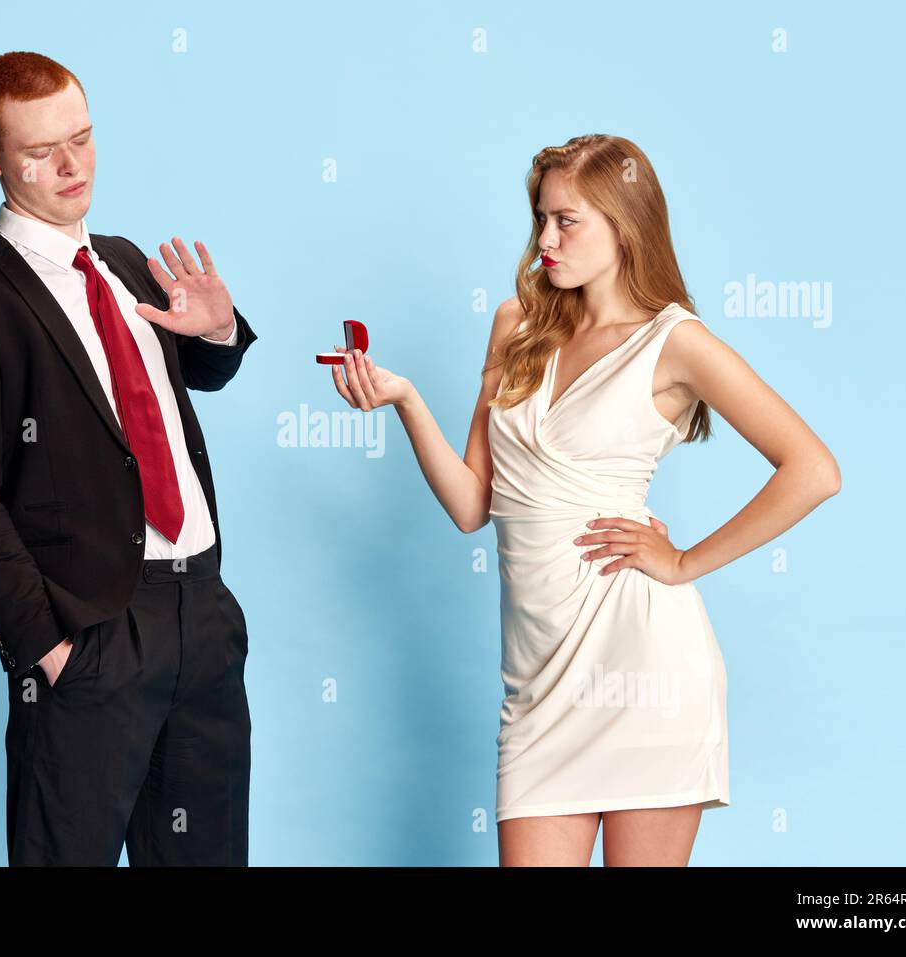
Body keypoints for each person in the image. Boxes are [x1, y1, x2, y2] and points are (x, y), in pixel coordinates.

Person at [329, 133, 840, 866]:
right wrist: (405, 399)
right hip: (538, 689)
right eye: (541, 218)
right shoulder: (517, 325)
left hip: (647, 672)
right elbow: (475, 505)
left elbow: (813, 469)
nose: (545, 238)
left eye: (567, 221)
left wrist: (685, 561)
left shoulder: (676, 343)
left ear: (625, 225)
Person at [0, 51, 258, 865]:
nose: (72, 166)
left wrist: (214, 331)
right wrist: (48, 645)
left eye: (83, 138)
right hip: (91, 632)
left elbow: (179, 384)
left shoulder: (127, 260)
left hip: (201, 619)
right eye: (41, 152)